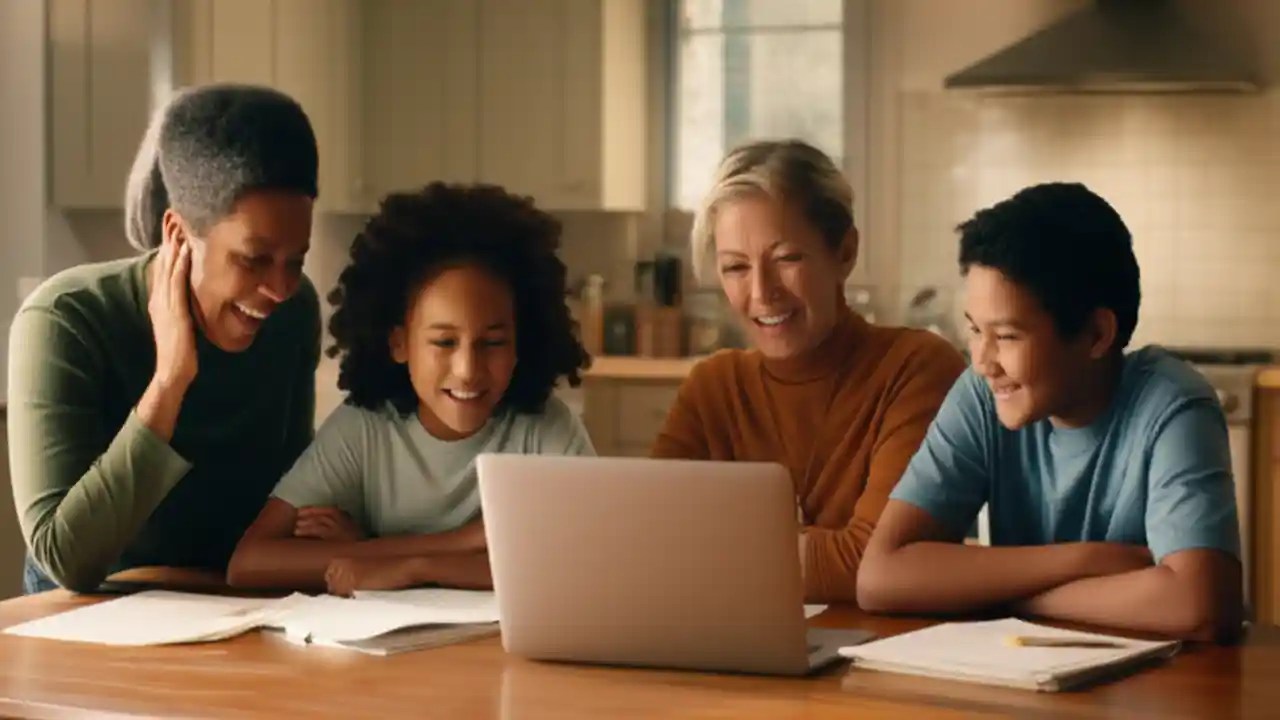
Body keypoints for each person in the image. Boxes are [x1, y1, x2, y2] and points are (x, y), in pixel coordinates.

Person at [857, 183, 1242, 642]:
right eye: (975, 330)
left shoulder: (1171, 404)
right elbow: (880, 577)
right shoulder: (982, 396)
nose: (983, 361)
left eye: (1008, 336)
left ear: (1097, 334)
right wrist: (1086, 561)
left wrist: (997, 595)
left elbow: (1198, 604)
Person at [8, 84, 322, 593]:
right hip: (86, 623)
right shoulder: (66, 320)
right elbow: (66, 560)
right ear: (177, 234)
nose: (280, 288)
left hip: (227, 605)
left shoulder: (294, 312)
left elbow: (285, 499)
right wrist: (171, 380)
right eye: (253, 259)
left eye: (296, 260)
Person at [227, 183, 595, 596]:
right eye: (444, 342)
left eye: (492, 342)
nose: (468, 370)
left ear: (521, 342)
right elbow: (250, 563)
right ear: (399, 343)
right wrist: (460, 544)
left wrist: (410, 566)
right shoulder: (363, 429)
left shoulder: (545, 429)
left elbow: (587, 564)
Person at [651, 139, 966, 603]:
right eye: (736, 267)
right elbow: (648, 547)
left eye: (787, 260)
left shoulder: (918, 369)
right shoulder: (712, 387)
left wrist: (709, 554)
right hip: (736, 654)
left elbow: (871, 565)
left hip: (883, 662)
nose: (761, 293)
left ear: (845, 252)